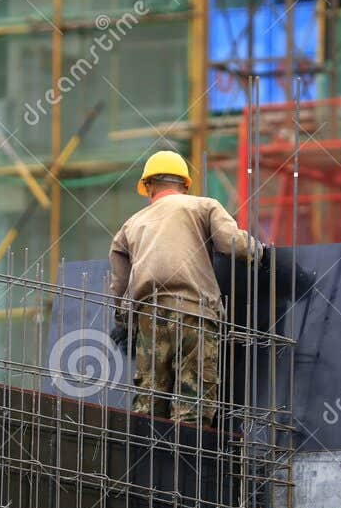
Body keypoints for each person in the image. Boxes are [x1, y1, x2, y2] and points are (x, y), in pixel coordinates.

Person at [108, 150, 263, 427]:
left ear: (149, 187)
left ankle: (150, 464)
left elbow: (119, 283)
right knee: (192, 403)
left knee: (149, 402)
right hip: (195, 313)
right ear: (184, 184)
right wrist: (258, 252)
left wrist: (123, 321)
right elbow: (232, 244)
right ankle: (188, 462)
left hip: (149, 317)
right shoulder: (203, 206)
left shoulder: (131, 225)